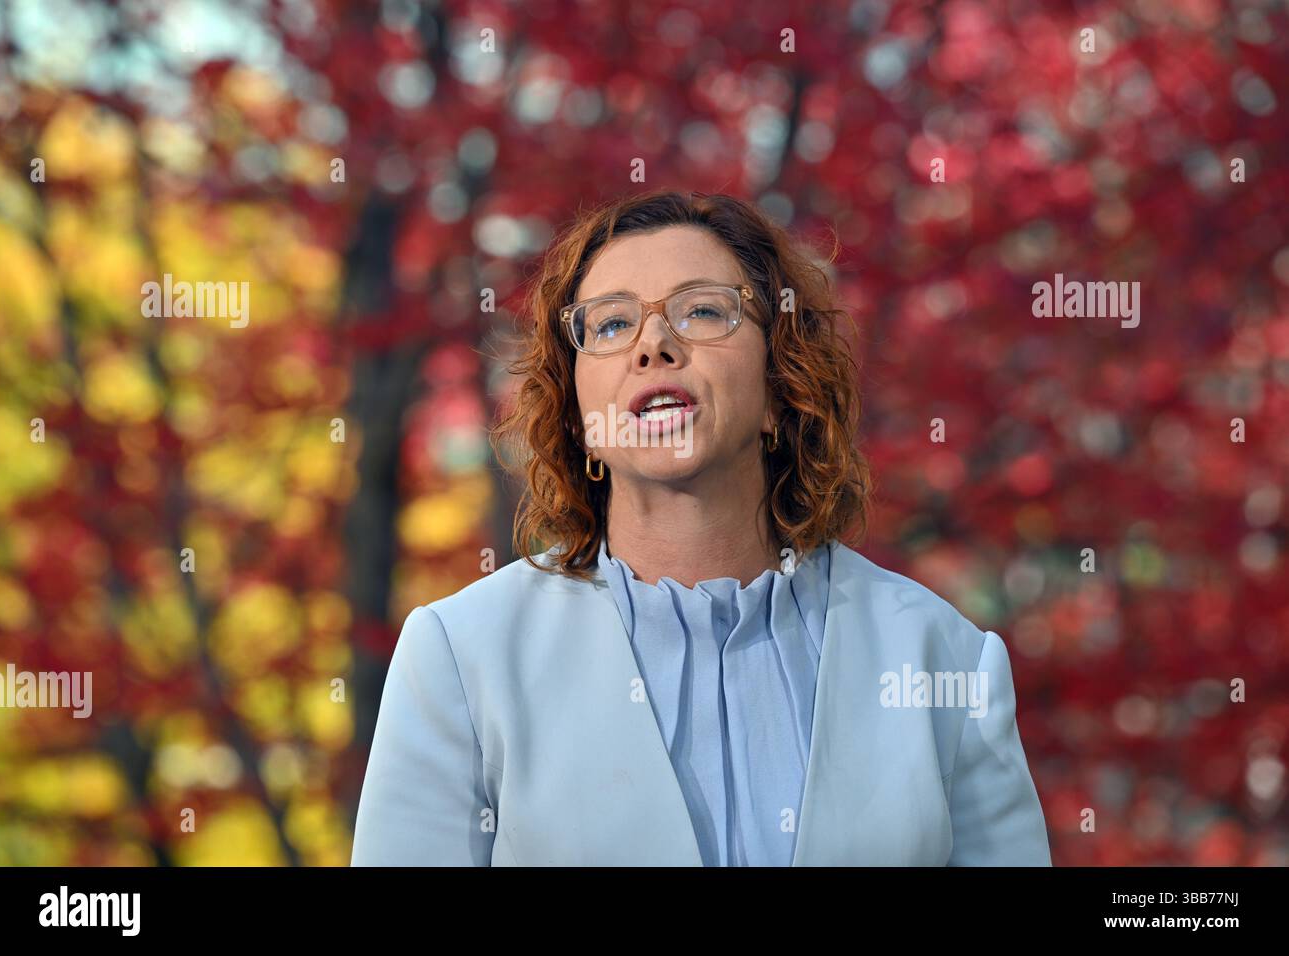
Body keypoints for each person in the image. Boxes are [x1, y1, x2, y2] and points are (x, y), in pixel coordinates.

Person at [351, 190, 1051, 866]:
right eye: (612, 324)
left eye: (703, 311)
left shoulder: (945, 661)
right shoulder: (461, 659)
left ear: (783, 385)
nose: (654, 343)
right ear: (577, 419)